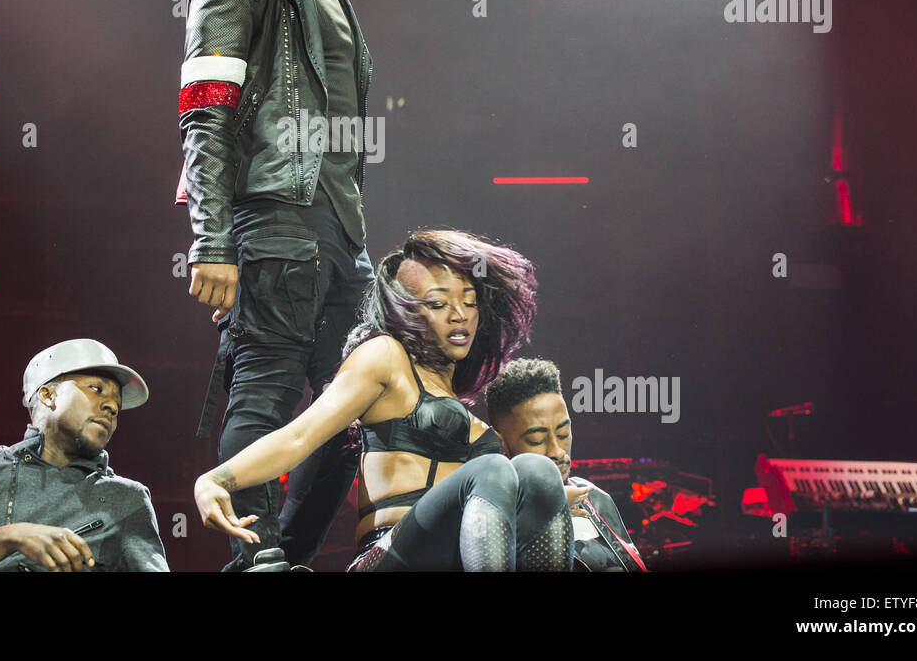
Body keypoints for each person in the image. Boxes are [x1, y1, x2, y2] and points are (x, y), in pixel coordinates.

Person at [176, 0, 376, 569]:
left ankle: (282, 554)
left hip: (339, 233)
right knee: (262, 393)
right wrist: (212, 240)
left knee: (356, 413)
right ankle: (255, 562)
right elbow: (204, 112)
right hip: (270, 221)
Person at [195, 230, 587, 571]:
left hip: (456, 555)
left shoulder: (457, 402)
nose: (460, 315)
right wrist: (218, 479)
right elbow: (300, 437)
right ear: (407, 309)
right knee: (496, 470)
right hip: (388, 556)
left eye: (469, 301)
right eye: (438, 303)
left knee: (537, 472)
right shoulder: (385, 357)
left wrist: (541, 501)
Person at [0, 338, 169, 572]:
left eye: (117, 404)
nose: (111, 406)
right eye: (96, 389)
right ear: (48, 395)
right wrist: (17, 536)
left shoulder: (126, 498)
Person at [486, 358, 647, 572]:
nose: (558, 451)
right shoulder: (491, 522)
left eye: (563, 434)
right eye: (536, 440)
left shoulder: (595, 500)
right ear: (501, 443)